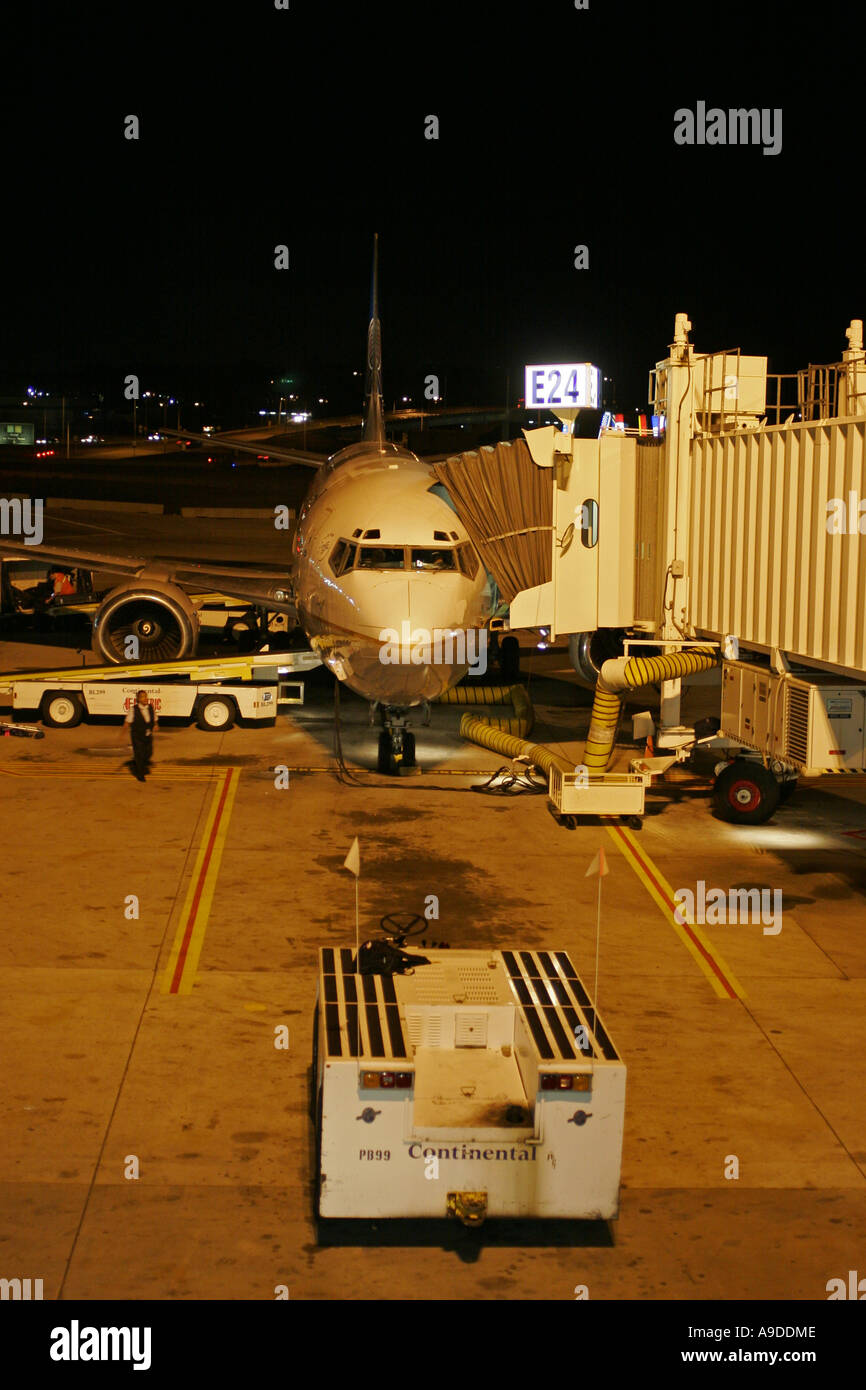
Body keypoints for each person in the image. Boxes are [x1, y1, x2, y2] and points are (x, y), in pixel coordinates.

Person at [123, 690, 157, 781]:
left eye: (146, 696)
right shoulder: (133, 709)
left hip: (148, 735)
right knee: (139, 754)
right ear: (138, 699)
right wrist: (123, 731)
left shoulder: (150, 707)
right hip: (137, 736)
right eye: (142, 696)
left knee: (148, 753)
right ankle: (140, 774)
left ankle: (139, 763)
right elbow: (127, 721)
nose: (145, 698)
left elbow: (154, 717)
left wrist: (156, 725)